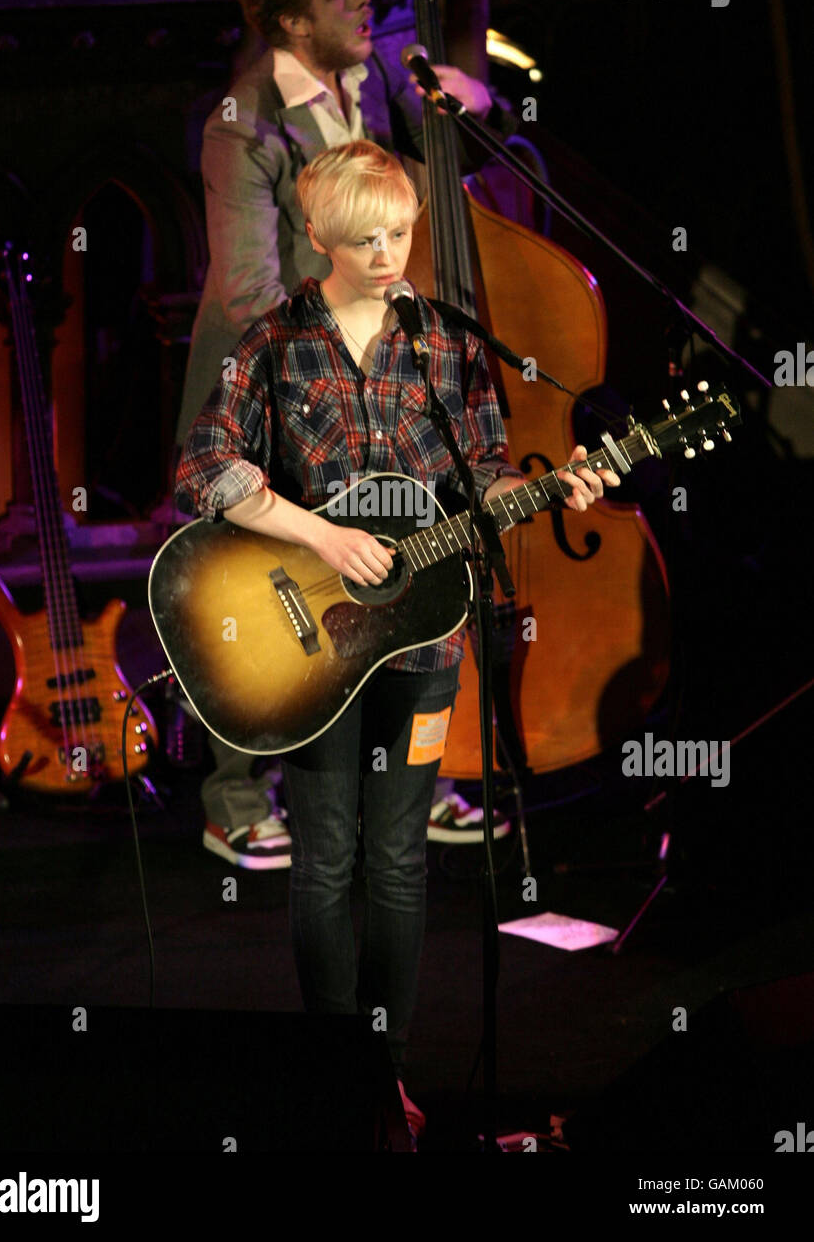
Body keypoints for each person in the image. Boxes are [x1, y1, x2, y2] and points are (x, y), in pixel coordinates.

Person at [175, 140, 620, 1144]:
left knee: (401, 859)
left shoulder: (447, 344)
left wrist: (550, 486)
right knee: (326, 856)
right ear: (325, 236)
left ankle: (387, 1078)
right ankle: (333, 1074)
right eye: (367, 236)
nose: (389, 253)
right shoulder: (276, 341)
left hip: (421, 643)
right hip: (316, 647)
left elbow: (486, 476)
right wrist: (317, 531)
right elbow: (202, 466)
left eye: (401, 232)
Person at [176, 0, 520, 868]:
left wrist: (474, 99)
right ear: (289, 22)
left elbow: (474, 160)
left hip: (379, 371)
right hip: (278, 379)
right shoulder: (243, 123)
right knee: (255, 589)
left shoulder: (386, 87)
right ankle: (236, 795)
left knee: (410, 560)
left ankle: (421, 779)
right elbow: (249, 289)